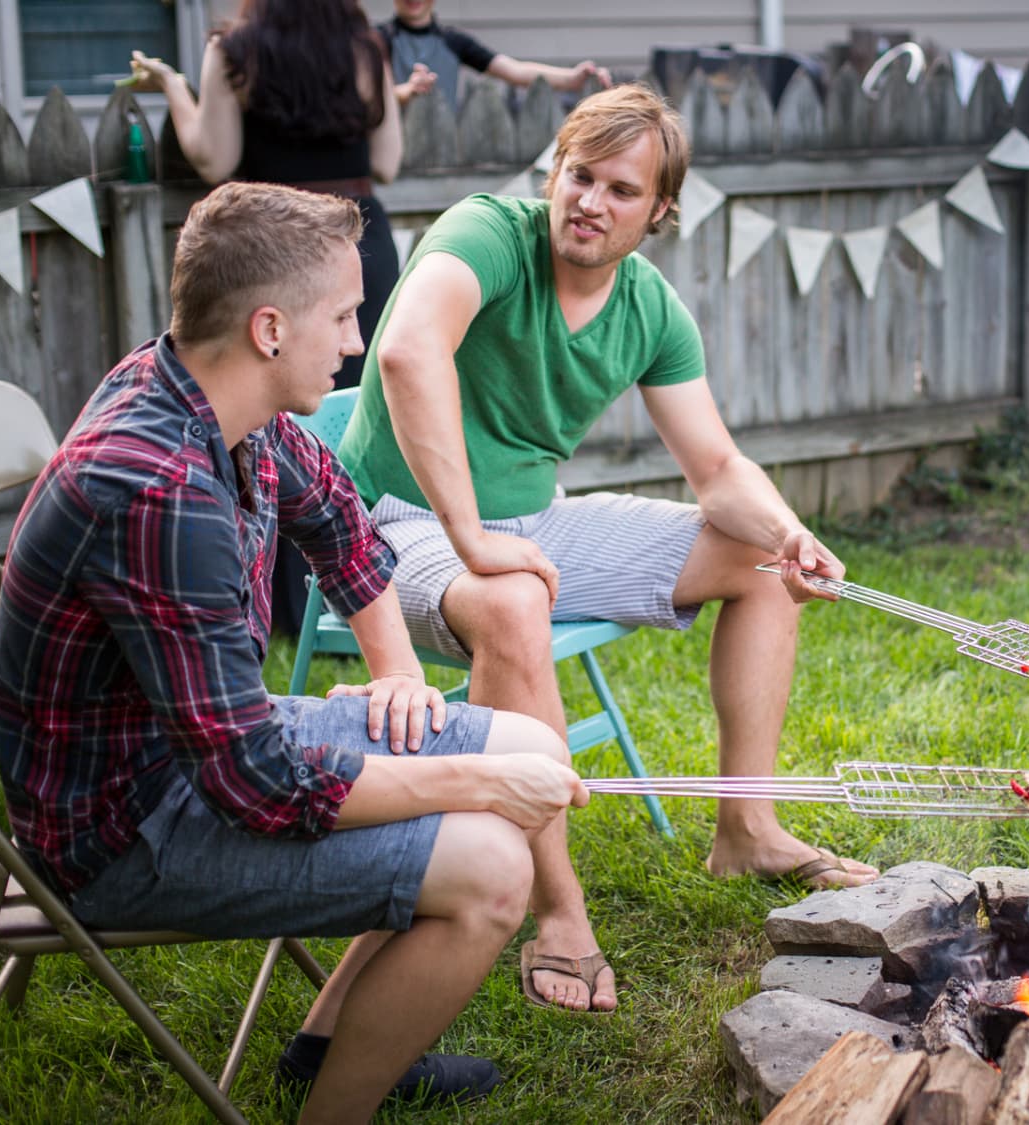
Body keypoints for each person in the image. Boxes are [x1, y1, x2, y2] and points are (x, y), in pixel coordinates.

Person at [0, 181, 589, 1121]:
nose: (358, 341)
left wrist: (397, 676)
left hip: (200, 748)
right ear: (270, 328)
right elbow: (254, 782)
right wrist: (470, 782)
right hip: (126, 828)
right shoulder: (158, 490)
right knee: (495, 865)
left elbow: (341, 524)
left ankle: (327, 1045)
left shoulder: (219, 396)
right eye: (344, 316)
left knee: (536, 750)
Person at [337, 84, 880, 1009]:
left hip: (532, 523)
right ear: (555, 171)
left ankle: (745, 827)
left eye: (620, 189)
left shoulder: (650, 310)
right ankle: (558, 912)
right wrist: (472, 540)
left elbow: (715, 464)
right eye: (578, 175)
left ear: (659, 210)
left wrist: (789, 531)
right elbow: (405, 353)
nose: (589, 201)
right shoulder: (487, 234)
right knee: (514, 600)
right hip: (400, 520)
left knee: (759, 564)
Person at [128, 0, 404, 636]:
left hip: (273, 253)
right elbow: (387, 161)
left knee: (268, 423)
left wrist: (174, 86)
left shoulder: (234, 49)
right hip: (358, 246)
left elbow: (213, 159)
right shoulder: (367, 48)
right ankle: (364, 597)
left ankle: (283, 610)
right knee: (355, 414)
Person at [377, 0, 611, 109]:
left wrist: (572, 79)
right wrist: (407, 91)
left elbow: (515, 70)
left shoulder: (454, 42)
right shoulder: (376, 40)